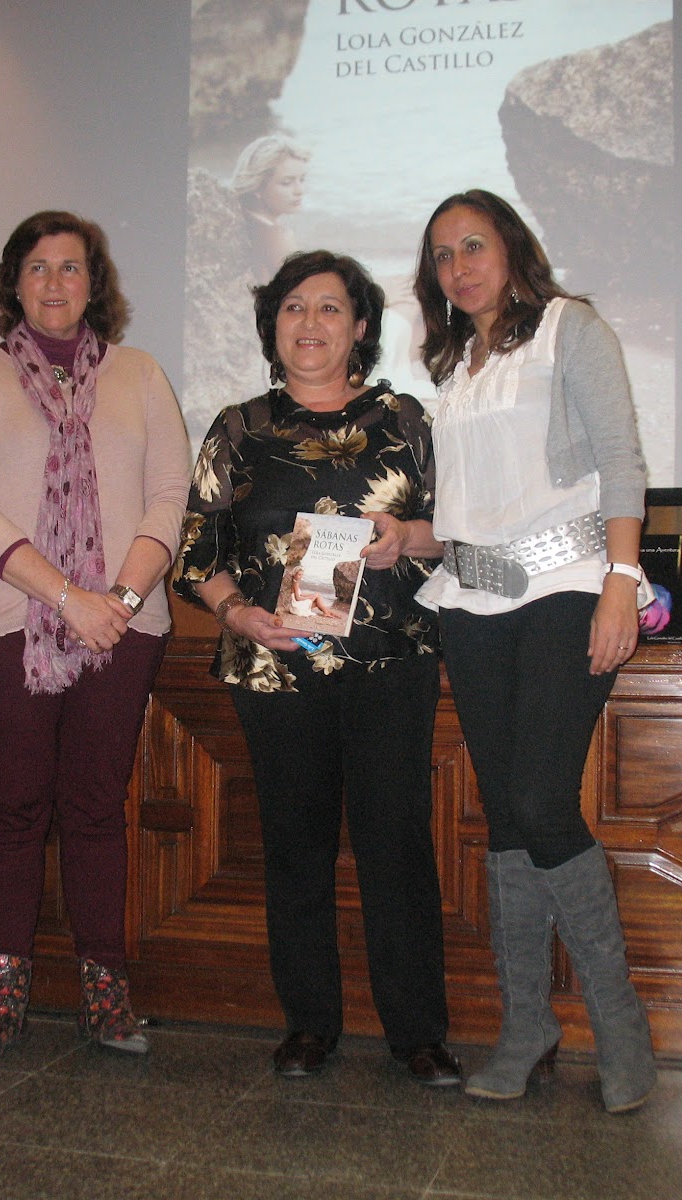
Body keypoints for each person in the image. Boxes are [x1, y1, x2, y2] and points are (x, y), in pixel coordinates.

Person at [174, 249, 460, 1086]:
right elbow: (198, 552)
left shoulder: (404, 419)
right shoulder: (238, 427)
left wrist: (405, 536)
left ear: (362, 326)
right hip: (276, 667)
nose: (310, 323)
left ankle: (418, 1033)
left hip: (389, 663)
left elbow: (460, 528)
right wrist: (236, 613)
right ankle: (309, 1024)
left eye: (330, 308)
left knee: (395, 844)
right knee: (295, 847)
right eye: (294, 307)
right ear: (273, 324)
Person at [411, 188, 656, 1113]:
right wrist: (409, 536)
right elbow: (476, 507)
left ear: (511, 249)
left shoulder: (569, 328)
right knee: (507, 814)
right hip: (472, 604)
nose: (460, 265)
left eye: (475, 245)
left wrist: (622, 585)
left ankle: (619, 1024)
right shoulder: (454, 369)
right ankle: (526, 1026)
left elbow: (620, 461)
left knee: (541, 800)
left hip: (566, 592)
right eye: (442, 255)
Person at [0, 211, 190, 1060]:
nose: (53, 283)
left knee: (93, 809)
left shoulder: (141, 375)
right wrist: (67, 596)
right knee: (11, 806)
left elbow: (167, 501)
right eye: (37, 267)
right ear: (13, 282)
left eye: (70, 268)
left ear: (94, 283)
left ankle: (104, 995)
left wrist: (112, 597)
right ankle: (2, 999)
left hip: (123, 624)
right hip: (3, 622)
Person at [229, 134, 310, 282]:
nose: (299, 190)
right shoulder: (275, 236)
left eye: (302, 179)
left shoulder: (245, 218)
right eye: (287, 182)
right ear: (258, 187)